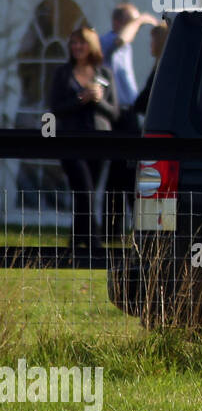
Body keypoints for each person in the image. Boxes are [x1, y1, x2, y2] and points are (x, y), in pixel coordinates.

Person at [48, 27, 120, 250]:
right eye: (74, 43)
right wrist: (81, 98)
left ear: (92, 46)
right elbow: (55, 107)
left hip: (98, 141)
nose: (77, 47)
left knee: (86, 193)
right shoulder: (63, 73)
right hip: (70, 141)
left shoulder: (104, 73)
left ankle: (75, 243)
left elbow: (115, 112)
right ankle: (95, 243)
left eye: (82, 43)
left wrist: (98, 99)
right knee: (84, 189)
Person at [133, 21, 168, 115]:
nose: (150, 43)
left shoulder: (163, 71)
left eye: (153, 40)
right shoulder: (158, 67)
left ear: (160, 41)